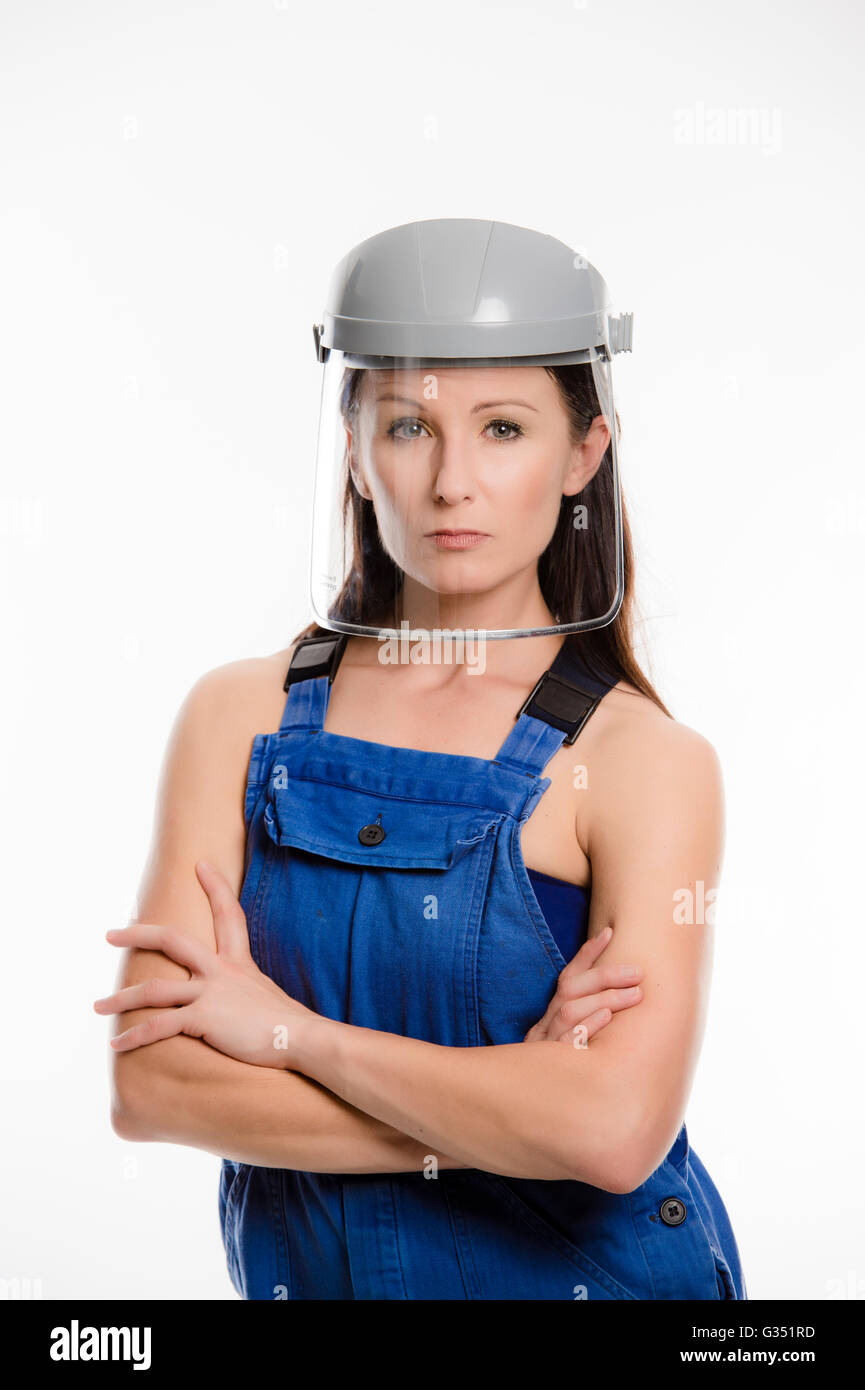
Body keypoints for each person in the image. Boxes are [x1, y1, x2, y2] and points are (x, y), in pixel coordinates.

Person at [95, 218, 747, 1300]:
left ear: (583, 451)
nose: (451, 482)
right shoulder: (236, 716)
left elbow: (617, 1130)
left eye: (502, 427)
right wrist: (511, 1114)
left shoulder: (643, 760)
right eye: (407, 425)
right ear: (350, 443)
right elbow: (152, 1084)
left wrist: (289, 1036)